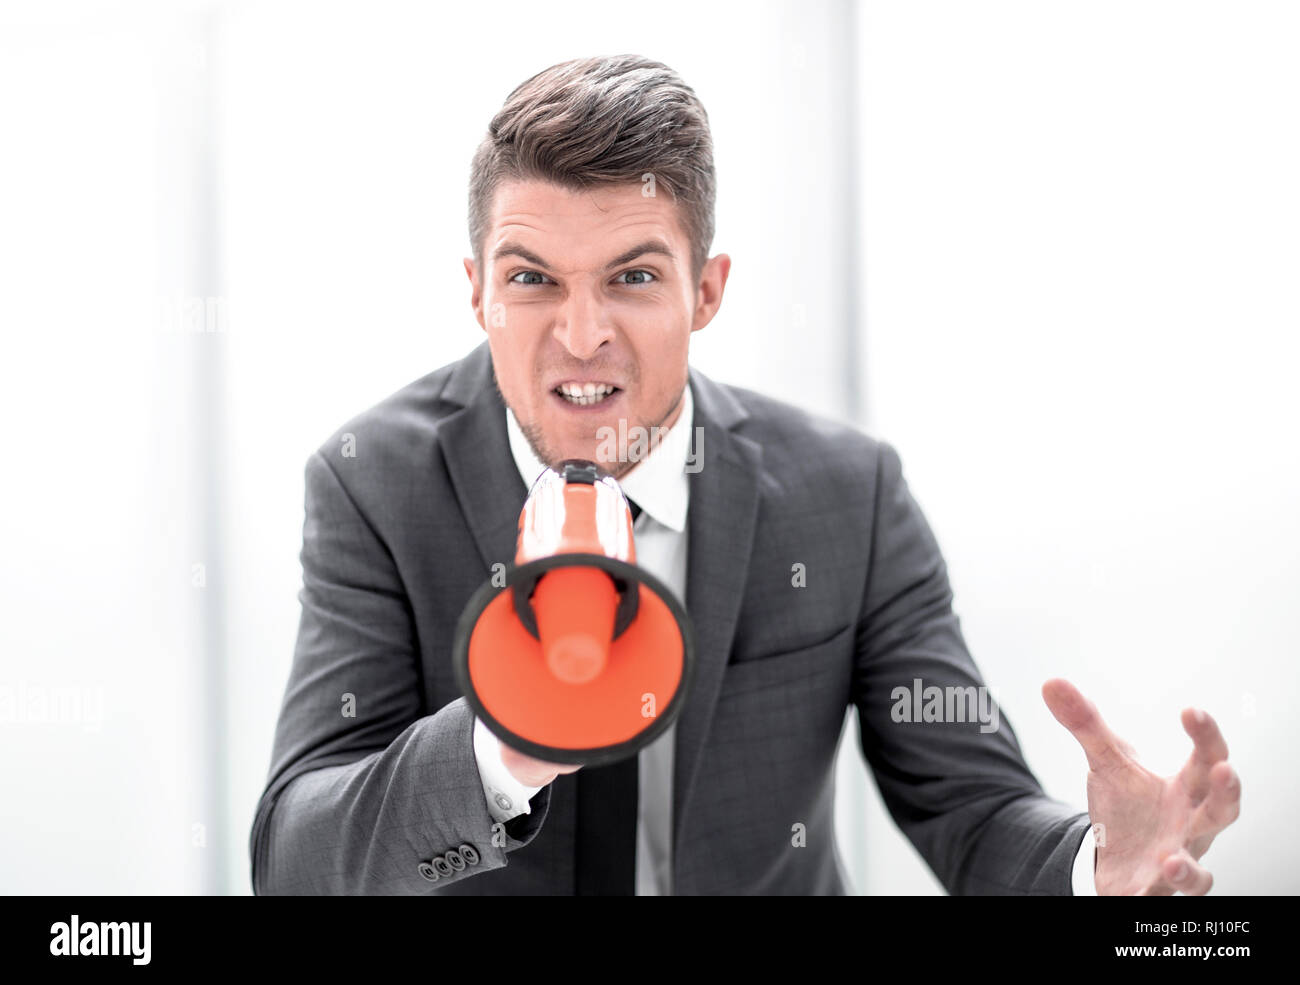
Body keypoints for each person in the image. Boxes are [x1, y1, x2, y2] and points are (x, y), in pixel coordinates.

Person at [249, 54, 1240, 895]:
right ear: (476, 292)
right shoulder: (371, 483)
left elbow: (970, 806)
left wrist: (1095, 863)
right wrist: (501, 748)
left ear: (706, 291)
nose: (582, 335)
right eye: (531, 277)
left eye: (632, 277)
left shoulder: (846, 495)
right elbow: (297, 854)